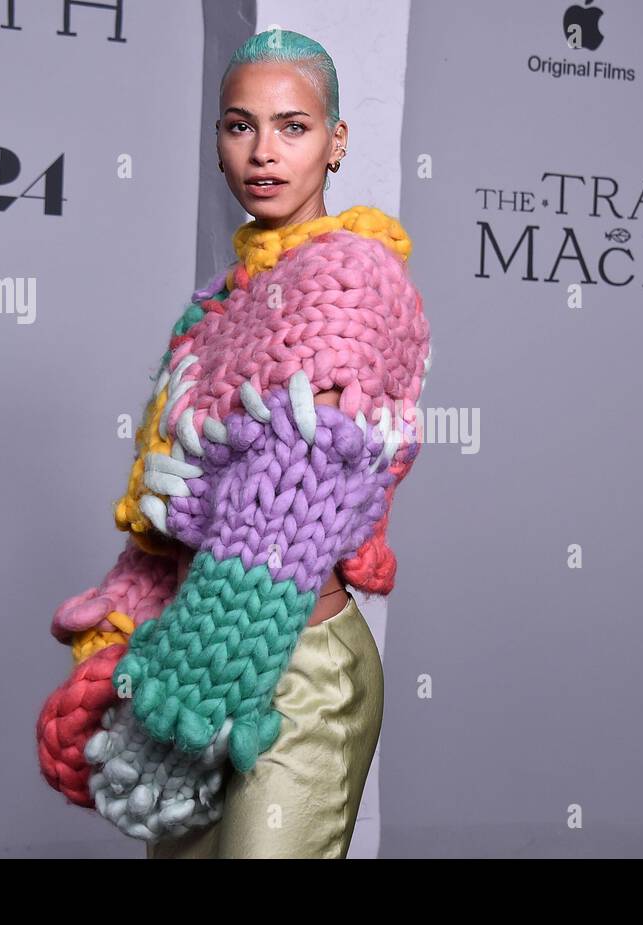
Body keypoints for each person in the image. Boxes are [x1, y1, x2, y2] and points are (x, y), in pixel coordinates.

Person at [35, 28, 432, 860]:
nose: (263, 151)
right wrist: (113, 639)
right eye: (239, 125)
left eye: (293, 125)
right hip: (190, 650)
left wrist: (186, 676)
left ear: (336, 141)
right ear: (217, 142)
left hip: (288, 668)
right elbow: (164, 518)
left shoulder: (351, 277)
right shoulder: (212, 308)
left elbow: (299, 495)